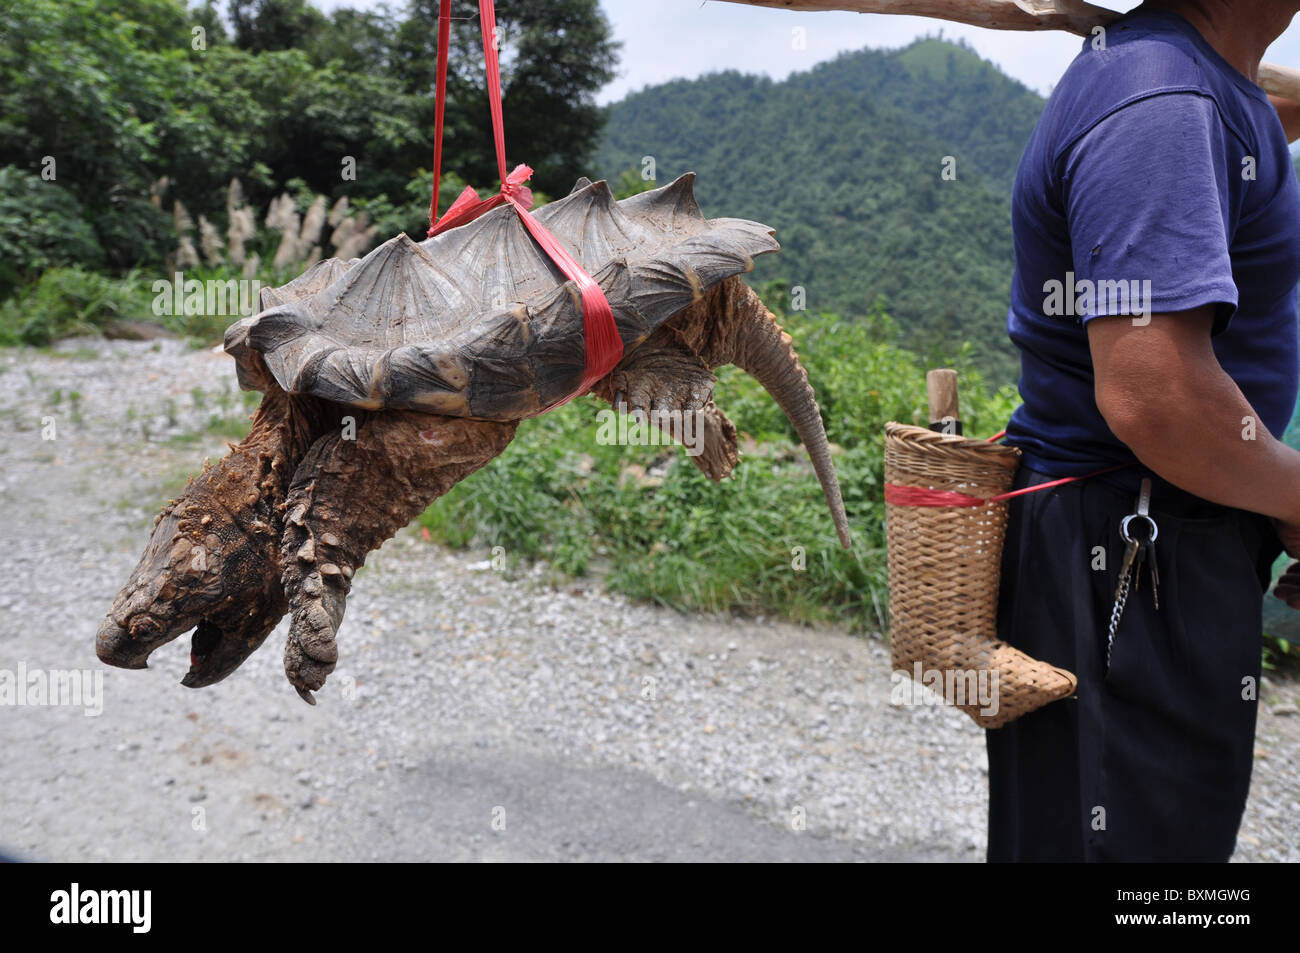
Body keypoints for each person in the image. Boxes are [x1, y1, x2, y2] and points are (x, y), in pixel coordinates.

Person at [989, 0, 1300, 862]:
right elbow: (1156, 397)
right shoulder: (1162, 98)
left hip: (1162, 532)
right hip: (1134, 544)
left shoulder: (1201, 83)